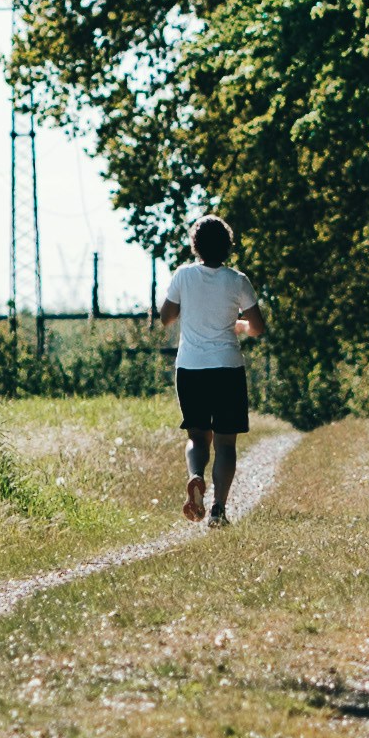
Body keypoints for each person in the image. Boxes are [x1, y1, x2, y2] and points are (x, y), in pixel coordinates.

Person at [157, 212, 263, 525]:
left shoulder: (183, 276)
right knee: (225, 443)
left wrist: (189, 311)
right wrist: (240, 326)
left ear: (195, 246)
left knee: (197, 437)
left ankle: (195, 476)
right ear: (228, 246)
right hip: (227, 369)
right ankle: (218, 510)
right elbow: (258, 326)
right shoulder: (237, 280)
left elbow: (166, 317)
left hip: (190, 368)